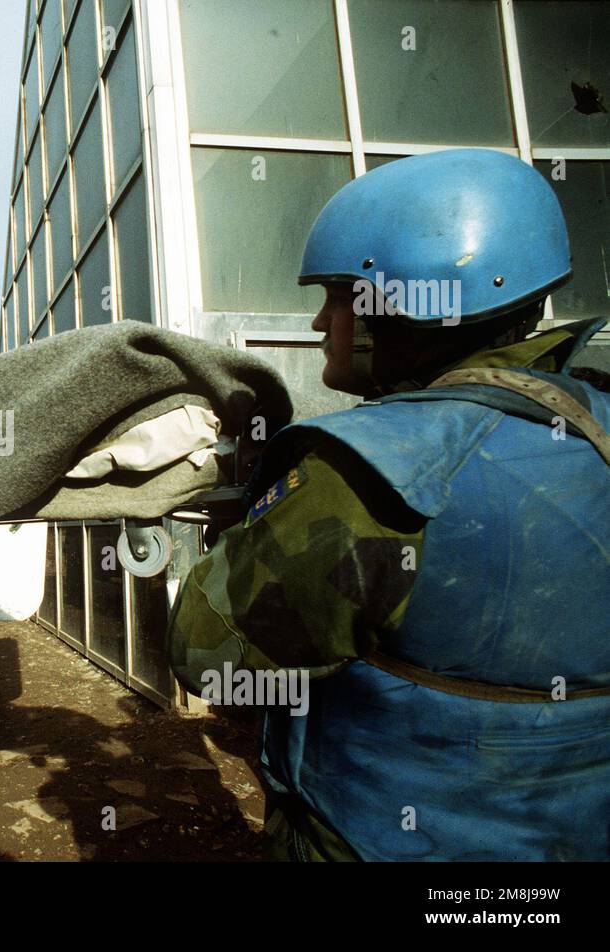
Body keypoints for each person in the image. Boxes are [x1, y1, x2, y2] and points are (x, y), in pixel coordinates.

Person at [168, 148, 610, 861]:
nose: (318, 325)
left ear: (395, 306)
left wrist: (244, 524)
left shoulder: (366, 472)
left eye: (335, 297)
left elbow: (208, 653)